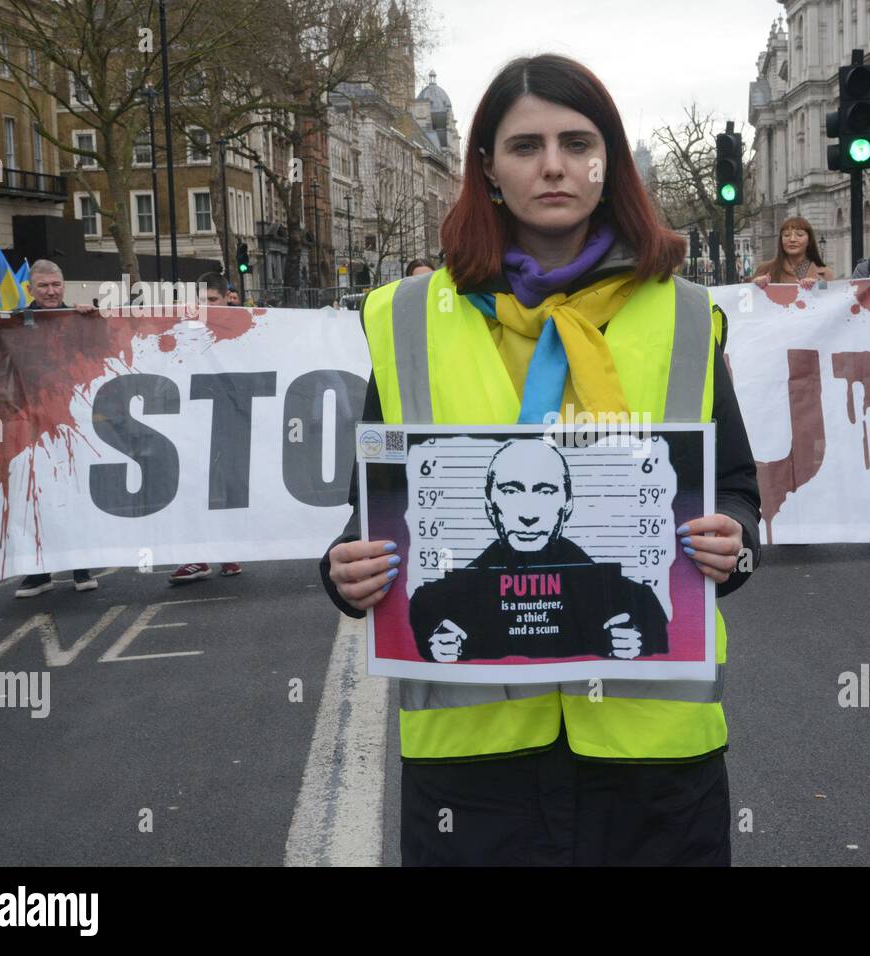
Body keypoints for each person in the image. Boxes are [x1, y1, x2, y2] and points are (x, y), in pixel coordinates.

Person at [322, 53, 761, 867]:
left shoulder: (688, 314)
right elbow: (373, 511)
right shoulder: (412, 315)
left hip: (652, 751)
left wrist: (733, 536)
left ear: (609, 162)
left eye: (576, 141)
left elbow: (734, 485)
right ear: (487, 167)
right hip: (473, 759)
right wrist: (345, 572)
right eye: (525, 146)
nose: (553, 164)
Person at [408, 439, 667, 662]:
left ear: (568, 504)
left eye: (545, 491)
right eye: (511, 491)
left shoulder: (636, 605)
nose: (528, 514)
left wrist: (643, 649)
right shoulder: (433, 607)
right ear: (489, 506)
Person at [0, 260, 101, 597]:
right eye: (43, 286)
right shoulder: (14, 322)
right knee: (32, 497)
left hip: (71, 424)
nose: (50, 291)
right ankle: (38, 572)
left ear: (64, 285)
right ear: (30, 289)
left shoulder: (78, 317)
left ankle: (81, 567)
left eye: (55, 285)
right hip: (29, 426)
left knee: (73, 495)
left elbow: (100, 353)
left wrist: (95, 319)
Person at [168, 272, 243, 585]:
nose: (206, 307)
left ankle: (224, 552)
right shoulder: (188, 330)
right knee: (196, 485)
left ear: (228, 298)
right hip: (198, 419)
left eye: (211, 300)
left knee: (224, 487)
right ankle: (202, 556)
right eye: (200, 301)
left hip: (232, 420)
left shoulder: (248, 326)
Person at [752, 217, 832, 289]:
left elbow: (831, 298)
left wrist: (817, 286)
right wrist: (755, 285)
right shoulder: (765, 270)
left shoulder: (824, 273)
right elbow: (748, 299)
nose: (792, 239)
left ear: (809, 240)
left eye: (799, 235)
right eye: (786, 235)